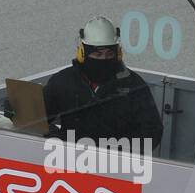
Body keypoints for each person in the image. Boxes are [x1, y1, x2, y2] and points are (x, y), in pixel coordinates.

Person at [43, 16, 163, 149]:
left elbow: (152, 131)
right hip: (71, 160)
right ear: (82, 54)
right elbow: (37, 119)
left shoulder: (132, 84)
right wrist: (59, 139)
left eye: (109, 54)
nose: (104, 59)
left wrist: (117, 153)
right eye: (97, 55)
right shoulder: (63, 81)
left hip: (115, 164)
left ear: (118, 54)